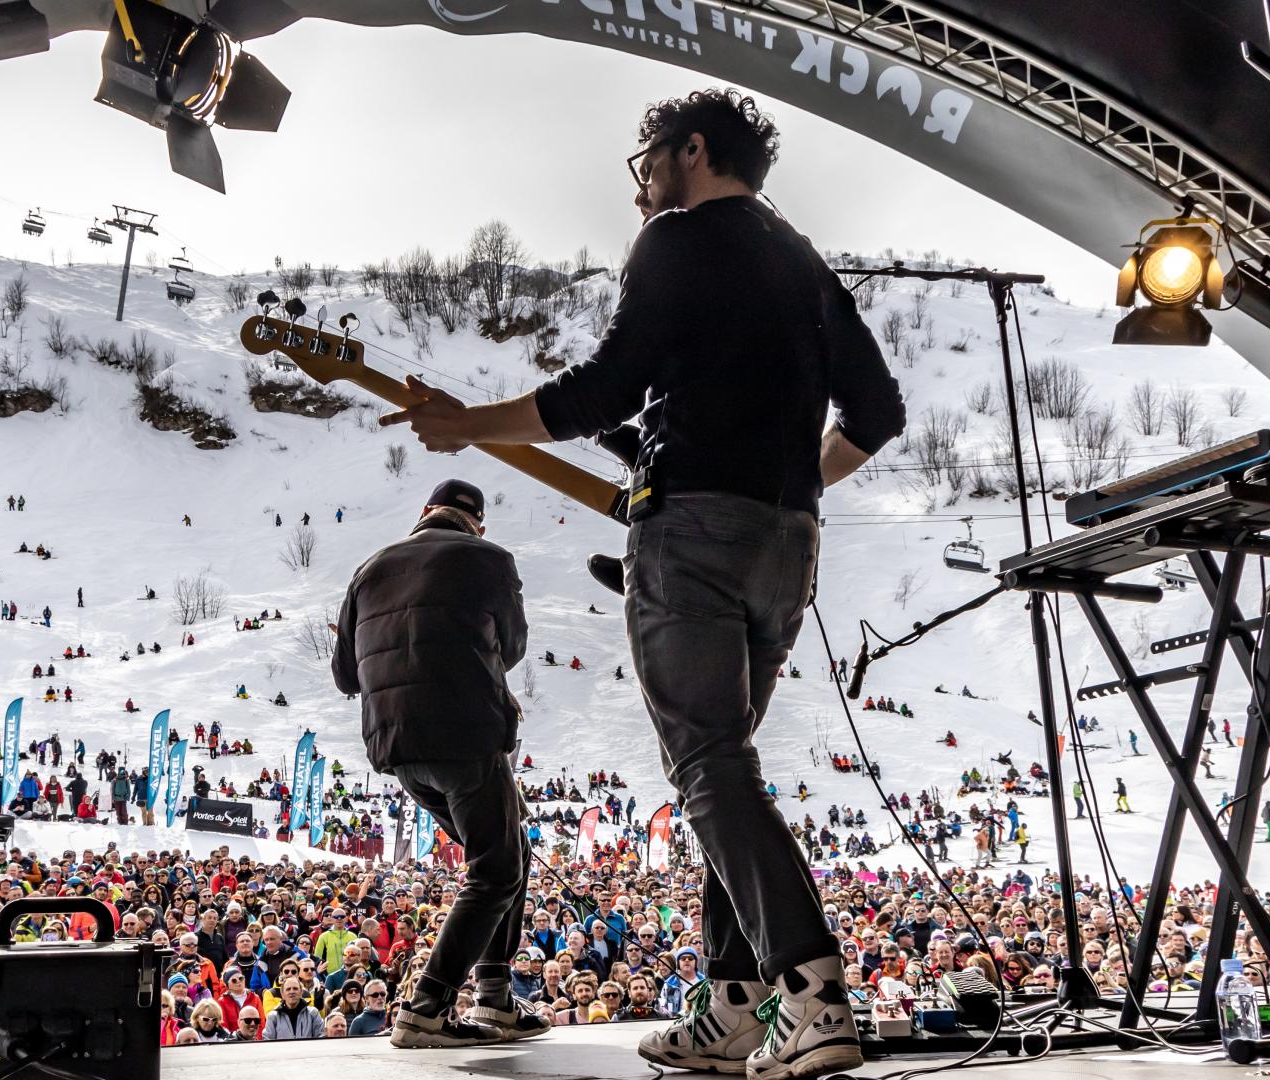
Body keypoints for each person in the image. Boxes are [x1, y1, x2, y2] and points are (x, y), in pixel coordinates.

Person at [377, 89, 902, 1080]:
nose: (640, 186)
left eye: (648, 159)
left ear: (692, 150)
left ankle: (810, 994)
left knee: (708, 766)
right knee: (727, 768)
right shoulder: (800, 259)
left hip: (693, 537)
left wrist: (466, 426)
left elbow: (605, 388)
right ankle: (737, 1003)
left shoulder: (676, 238)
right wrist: (785, 489)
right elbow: (876, 411)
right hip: (787, 545)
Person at [331, 480, 550, 1049]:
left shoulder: (368, 569)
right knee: (496, 870)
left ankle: (495, 997)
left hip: (397, 745)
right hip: (465, 734)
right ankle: (428, 1008)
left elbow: (345, 674)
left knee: (509, 853)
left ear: (426, 512)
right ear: (478, 525)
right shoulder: (489, 558)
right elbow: (513, 647)